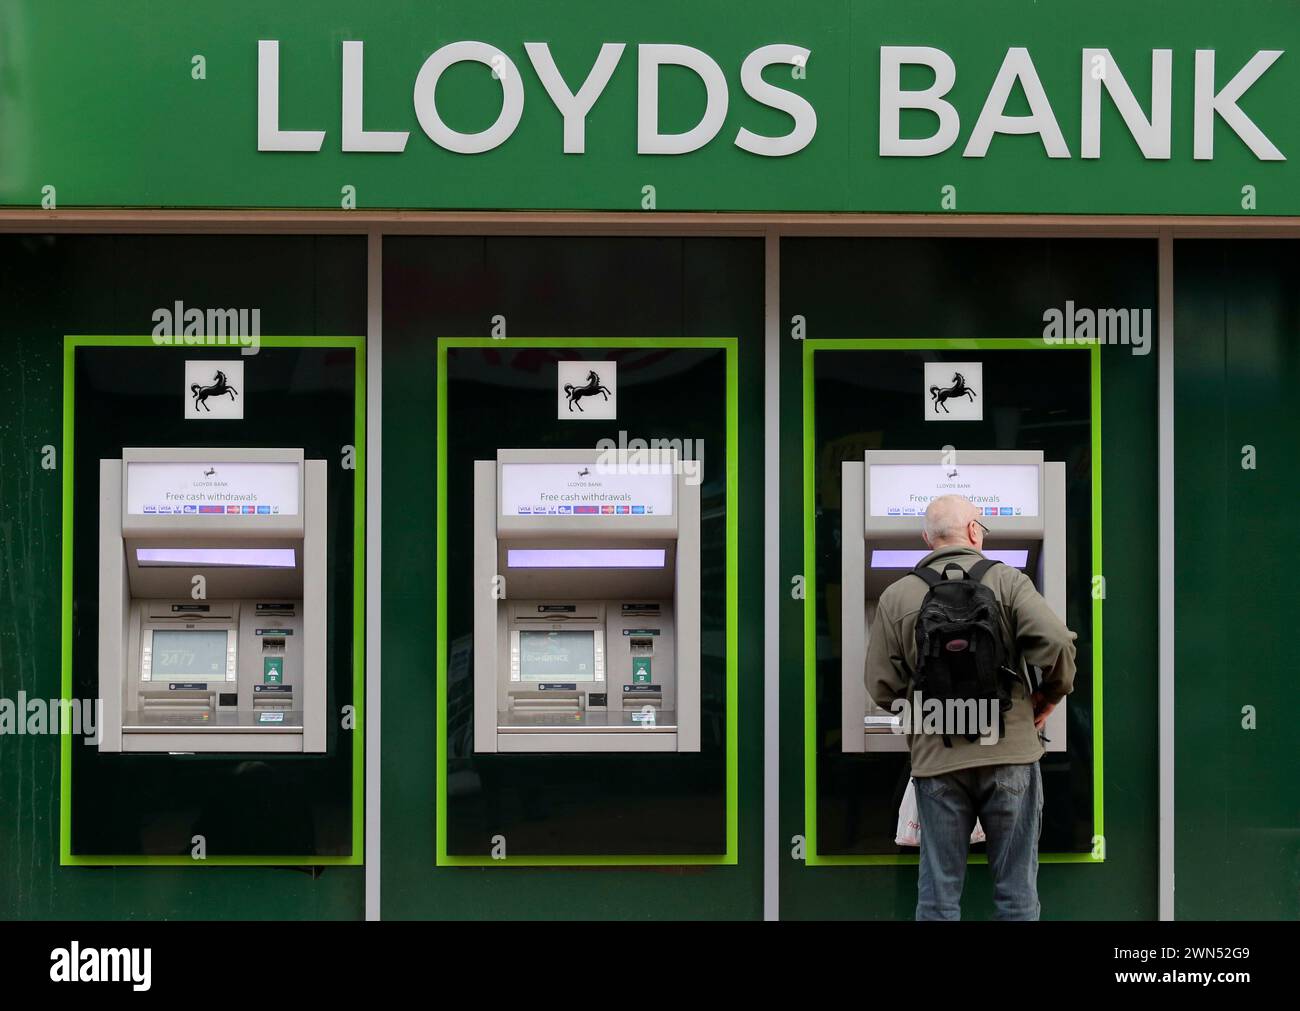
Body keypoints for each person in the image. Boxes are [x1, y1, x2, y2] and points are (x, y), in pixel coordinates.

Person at [865, 493, 1077, 920]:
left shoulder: (896, 595)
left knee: (938, 896)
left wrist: (925, 709)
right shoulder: (1009, 581)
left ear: (928, 539)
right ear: (976, 531)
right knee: (1016, 892)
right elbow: (1056, 642)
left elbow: (881, 688)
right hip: (1010, 752)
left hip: (938, 757)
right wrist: (1048, 696)